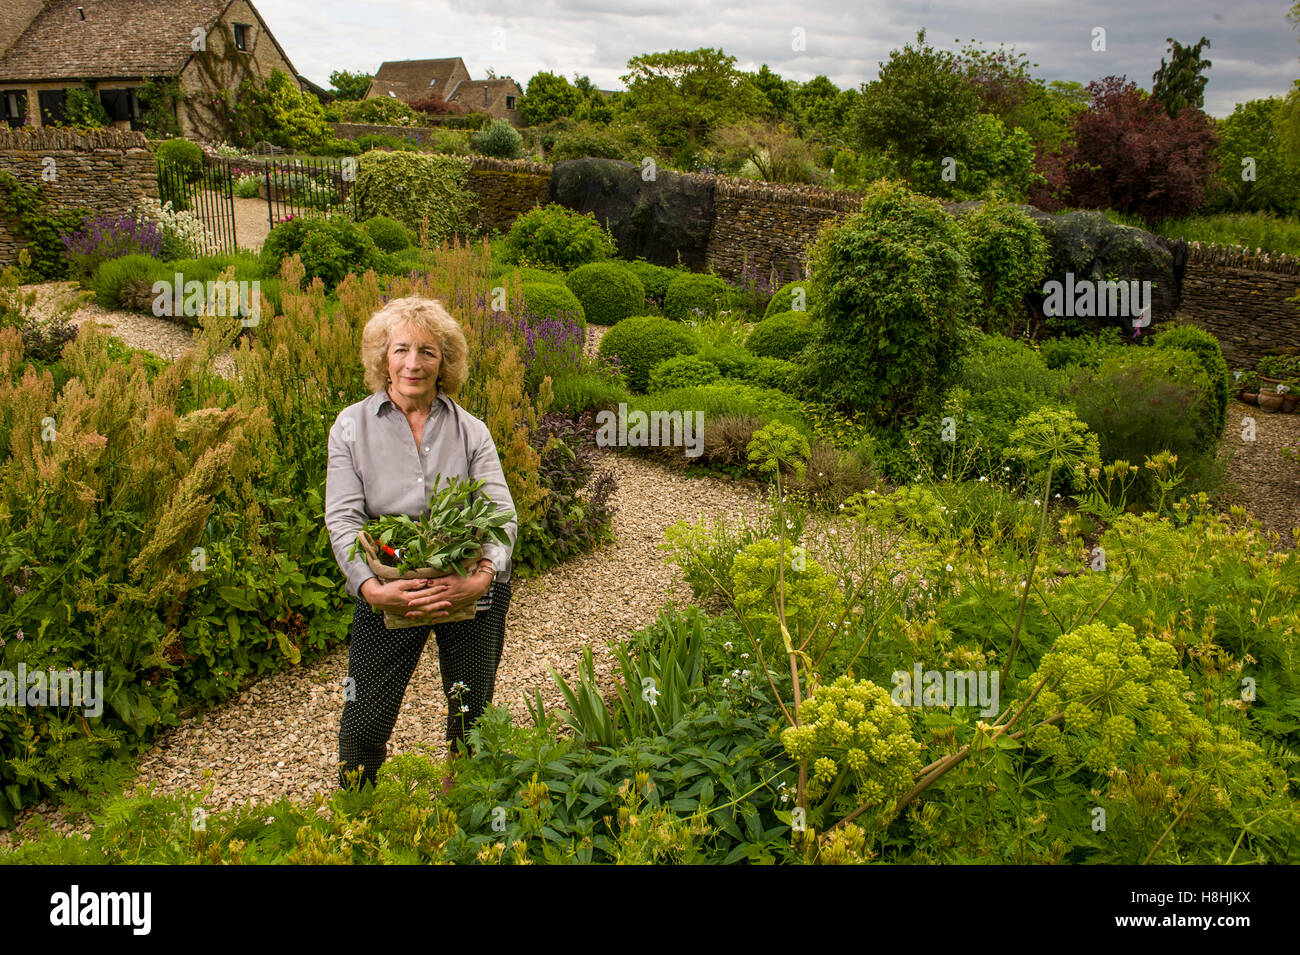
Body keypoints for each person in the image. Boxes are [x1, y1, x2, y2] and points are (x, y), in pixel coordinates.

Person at [324, 296, 517, 791]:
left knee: (471, 707)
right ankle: (359, 808)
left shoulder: (471, 431)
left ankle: (465, 804)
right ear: (382, 357)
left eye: (428, 352)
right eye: (401, 349)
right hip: (391, 587)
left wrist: (481, 578)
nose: (413, 363)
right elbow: (344, 518)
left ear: (444, 362)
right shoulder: (351, 426)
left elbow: (499, 514)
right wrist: (370, 589)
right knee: (364, 714)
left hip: (469, 588)